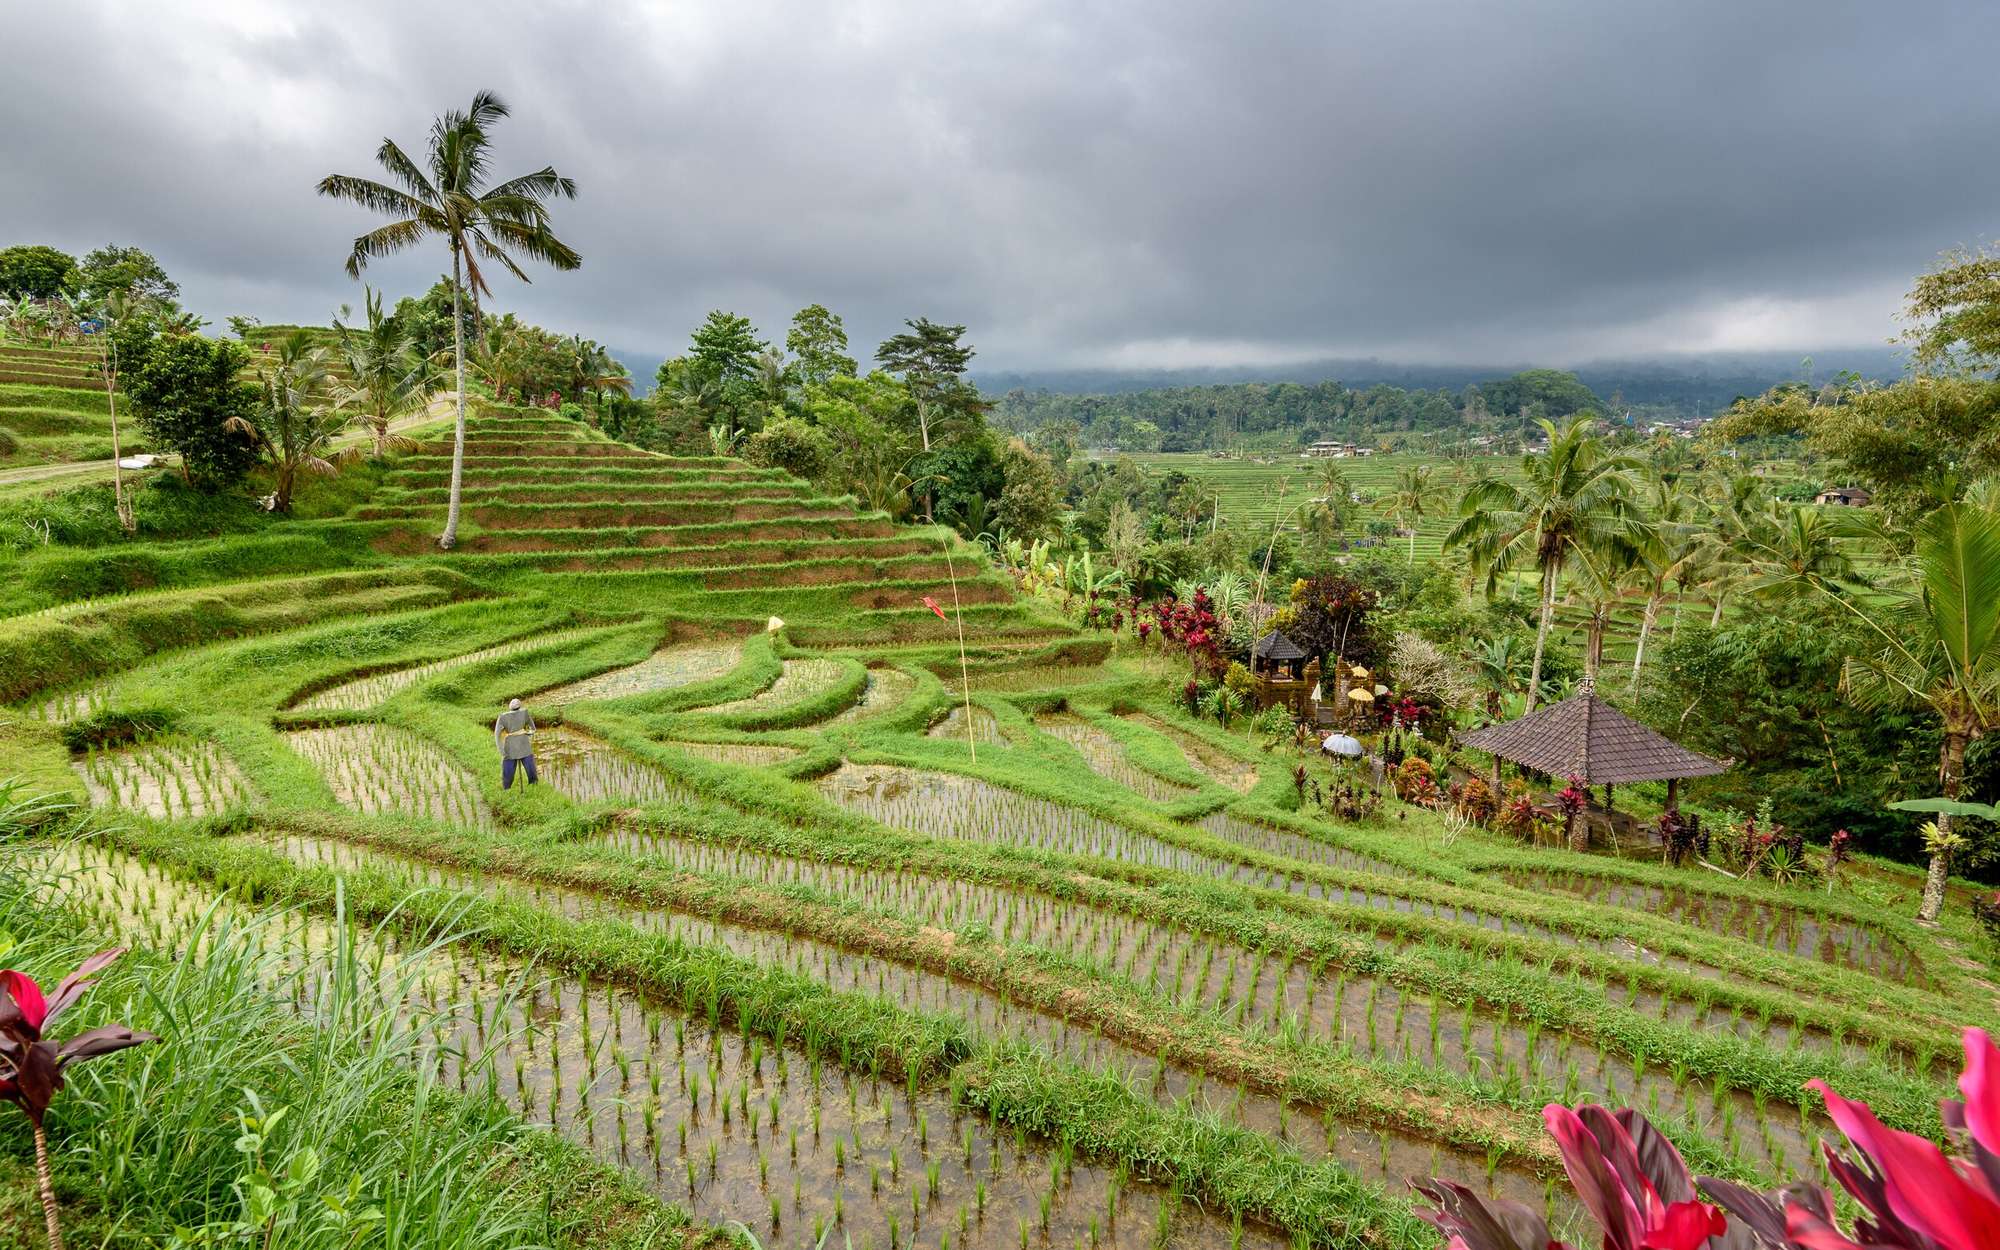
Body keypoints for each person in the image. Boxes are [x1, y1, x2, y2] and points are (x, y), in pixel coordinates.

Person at [493, 697, 538, 789]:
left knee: (508, 773)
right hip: (524, 744)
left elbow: (497, 735)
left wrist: (501, 750)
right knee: (531, 771)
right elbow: (533, 728)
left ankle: (507, 788)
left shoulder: (502, 716)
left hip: (510, 747)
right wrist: (527, 733)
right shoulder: (524, 712)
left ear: (510, 707)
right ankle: (533, 786)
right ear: (519, 706)